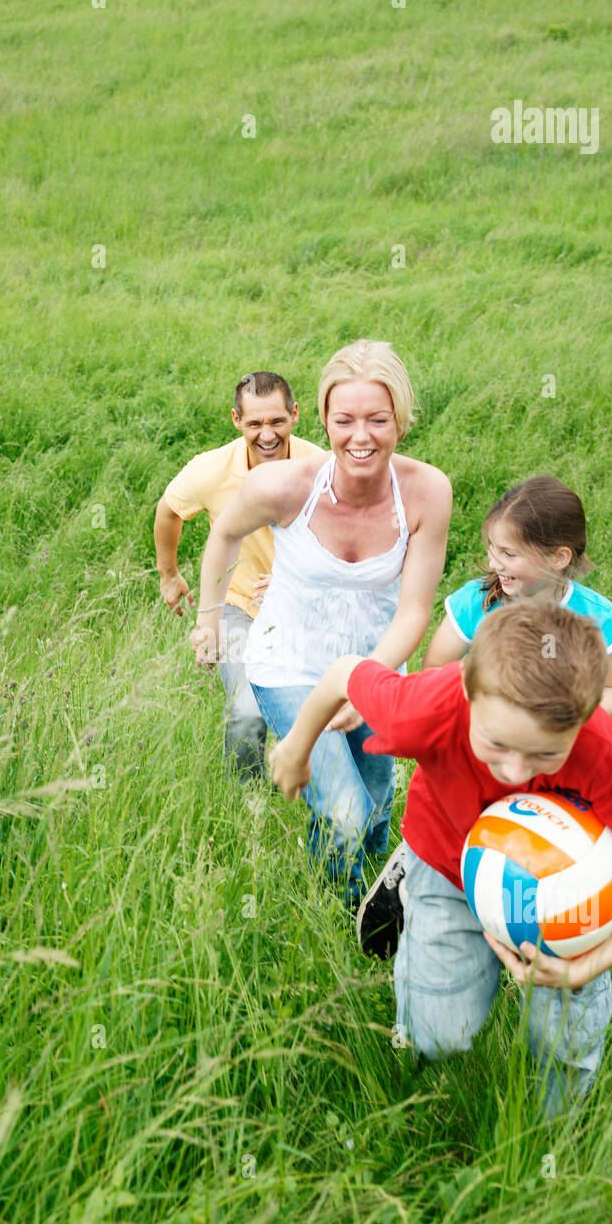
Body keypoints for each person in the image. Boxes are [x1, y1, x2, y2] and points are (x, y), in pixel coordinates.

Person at [268, 601, 612, 1119]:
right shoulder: (427, 705)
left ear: (584, 718)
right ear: (467, 690)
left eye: (545, 755)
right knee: (439, 1035)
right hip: (446, 861)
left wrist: (591, 965)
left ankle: (551, 1138)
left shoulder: (596, 746)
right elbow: (344, 674)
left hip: (569, 887)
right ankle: (406, 887)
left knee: (565, 1039)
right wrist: (295, 750)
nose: (514, 771)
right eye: (496, 743)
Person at [191, 340, 452, 906]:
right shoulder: (284, 485)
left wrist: (369, 682)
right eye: (345, 420)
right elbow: (223, 535)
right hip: (288, 665)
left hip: (376, 670)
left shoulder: (427, 492)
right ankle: (342, 923)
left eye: (378, 420)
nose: (361, 436)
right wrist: (209, 617)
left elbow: (414, 611)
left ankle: (375, 904)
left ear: (400, 422)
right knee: (346, 812)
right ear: (325, 421)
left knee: (378, 812)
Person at [155, 372, 326, 780]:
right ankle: (246, 803)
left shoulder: (320, 467)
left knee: (326, 711)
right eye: (254, 424)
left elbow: (347, 541)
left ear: (295, 415)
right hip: (239, 609)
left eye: (276, 422)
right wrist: (168, 575)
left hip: (309, 610)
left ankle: (320, 796)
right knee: (248, 708)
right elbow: (168, 510)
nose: (266, 434)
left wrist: (297, 582)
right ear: (237, 420)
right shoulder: (211, 471)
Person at [422, 475, 612, 716]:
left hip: (559, 748)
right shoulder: (475, 602)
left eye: (509, 554)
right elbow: (434, 672)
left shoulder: (595, 615)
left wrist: (568, 721)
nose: (495, 563)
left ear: (558, 558)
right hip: (487, 740)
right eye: (493, 547)